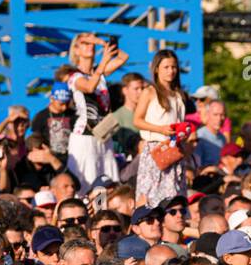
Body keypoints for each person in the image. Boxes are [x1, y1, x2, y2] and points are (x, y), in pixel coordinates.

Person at [66, 32, 128, 186]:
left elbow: (123, 57)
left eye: (91, 43)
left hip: (103, 135)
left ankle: (104, 209)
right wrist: (103, 62)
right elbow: (89, 87)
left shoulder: (98, 71)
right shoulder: (74, 76)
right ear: (76, 50)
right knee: (87, 182)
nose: (90, 46)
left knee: (107, 181)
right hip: (85, 136)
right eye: (85, 43)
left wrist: (101, 42)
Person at [132, 49, 190, 206]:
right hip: (156, 149)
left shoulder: (178, 94)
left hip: (174, 150)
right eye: (166, 67)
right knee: (151, 196)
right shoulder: (150, 91)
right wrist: (160, 129)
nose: (171, 71)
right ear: (157, 68)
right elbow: (137, 120)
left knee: (174, 197)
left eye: (174, 67)